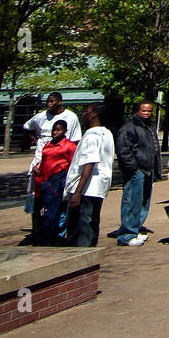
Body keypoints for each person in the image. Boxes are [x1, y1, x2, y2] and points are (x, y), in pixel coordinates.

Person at [64, 104, 115, 247]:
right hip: (98, 188)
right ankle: (91, 251)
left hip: (86, 189)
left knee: (81, 226)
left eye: (86, 112)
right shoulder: (107, 134)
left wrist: (77, 192)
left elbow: (89, 163)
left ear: (93, 115)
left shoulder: (92, 136)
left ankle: (81, 253)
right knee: (92, 222)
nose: (83, 115)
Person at [114, 100, 160, 246]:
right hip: (137, 170)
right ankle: (126, 235)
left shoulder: (149, 127)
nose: (147, 113)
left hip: (147, 169)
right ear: (137, 111)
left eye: (149, 111)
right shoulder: (129, 128)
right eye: (144, 110)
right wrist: (133, 168)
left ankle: (136, 228)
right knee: (132, 202)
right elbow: (123, 150)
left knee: (143, 202)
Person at [32, 119, 76, 245]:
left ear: (65, 131)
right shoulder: (48, 145)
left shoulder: (69, 146)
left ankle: (52, 240)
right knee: (43, 212)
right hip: (43, 181)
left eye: (58, 130)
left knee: (53, 212)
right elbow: (44, 161)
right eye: (54, 130)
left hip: (58, 181)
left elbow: (72, 165)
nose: (55, 132)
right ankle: (43, 238)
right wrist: (37, 167)